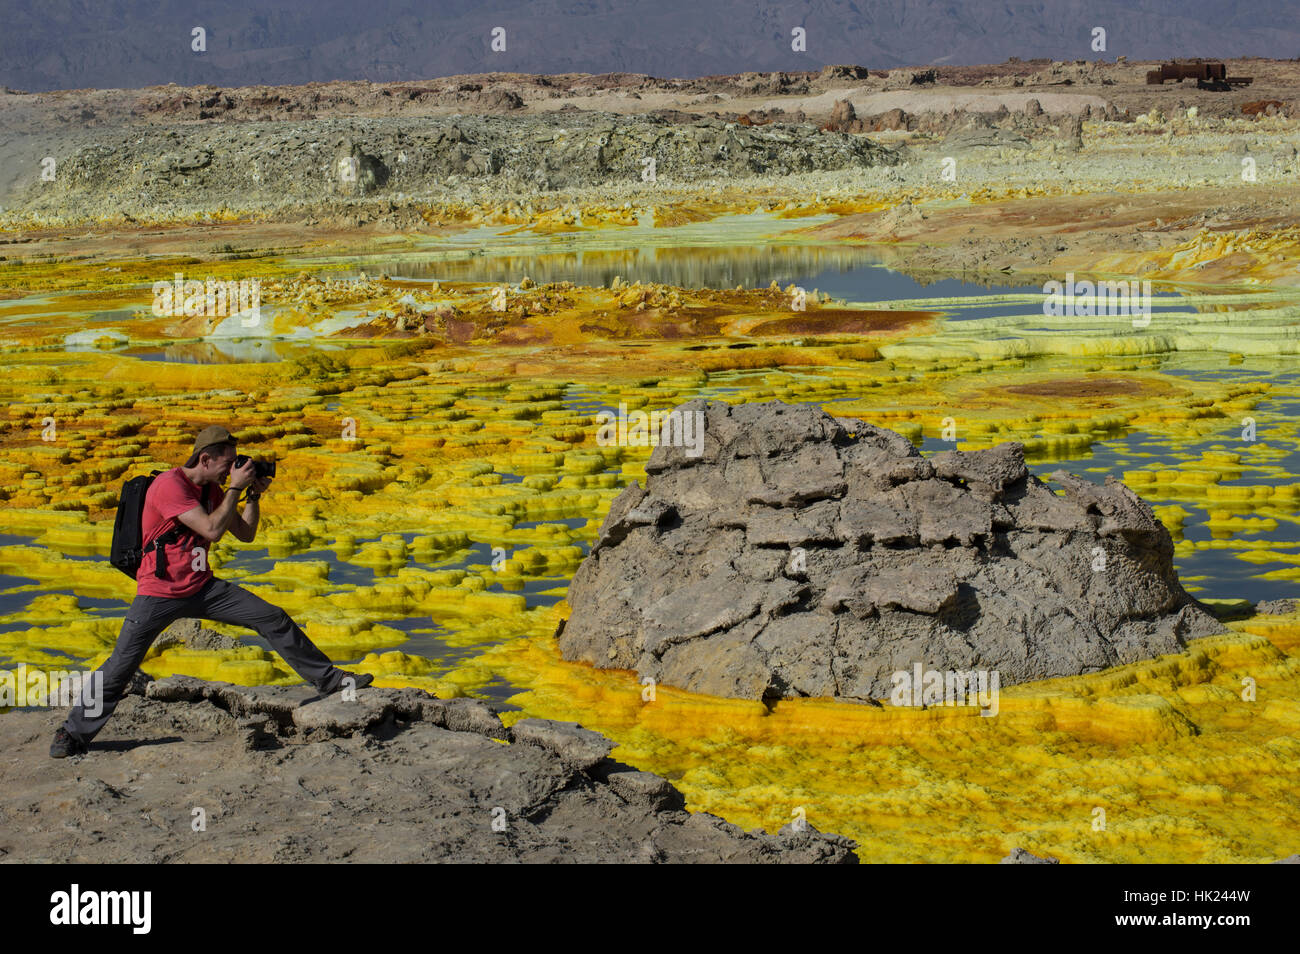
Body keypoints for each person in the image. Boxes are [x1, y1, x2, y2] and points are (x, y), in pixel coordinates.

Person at [50, 425, 372, 757]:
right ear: (205, 458)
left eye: (236, 463)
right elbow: (212, 529)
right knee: (120, 665)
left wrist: (253, 495)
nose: (234, 469)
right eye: (229, 462)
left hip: (203, 587)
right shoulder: (169, 486)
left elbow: (245, 534)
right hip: (159, 592)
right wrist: (234, 487)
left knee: (272, 617)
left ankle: (331, 681)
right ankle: (71, 733)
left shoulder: (213, 489)